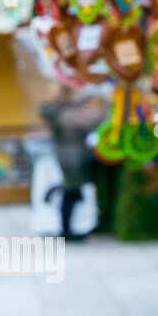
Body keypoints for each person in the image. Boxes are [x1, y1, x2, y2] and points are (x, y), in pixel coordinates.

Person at [40, 87, 104, 240]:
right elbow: (91, 121)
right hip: (72, 157)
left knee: (74, 192)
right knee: (72, 192)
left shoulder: (58, 111)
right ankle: (66, 230)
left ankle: (69, 228)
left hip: (69, 155)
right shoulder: (66, 112)